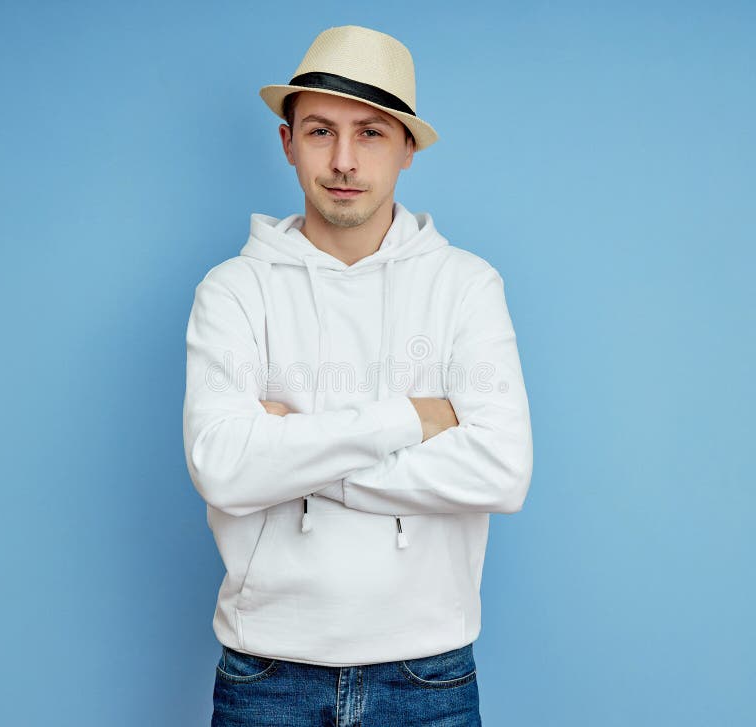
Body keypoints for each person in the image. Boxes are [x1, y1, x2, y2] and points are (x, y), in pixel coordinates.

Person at [182, 24, 534, 726]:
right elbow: (223, 467)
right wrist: (410, 418)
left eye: (370, 133)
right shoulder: (232, 291)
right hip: (266, 673)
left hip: (427, 675)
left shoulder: (466, 285)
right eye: (319, 131)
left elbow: (502, 470)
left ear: (408, 147)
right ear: (287, 143)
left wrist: (293, 453)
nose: (343, 160)